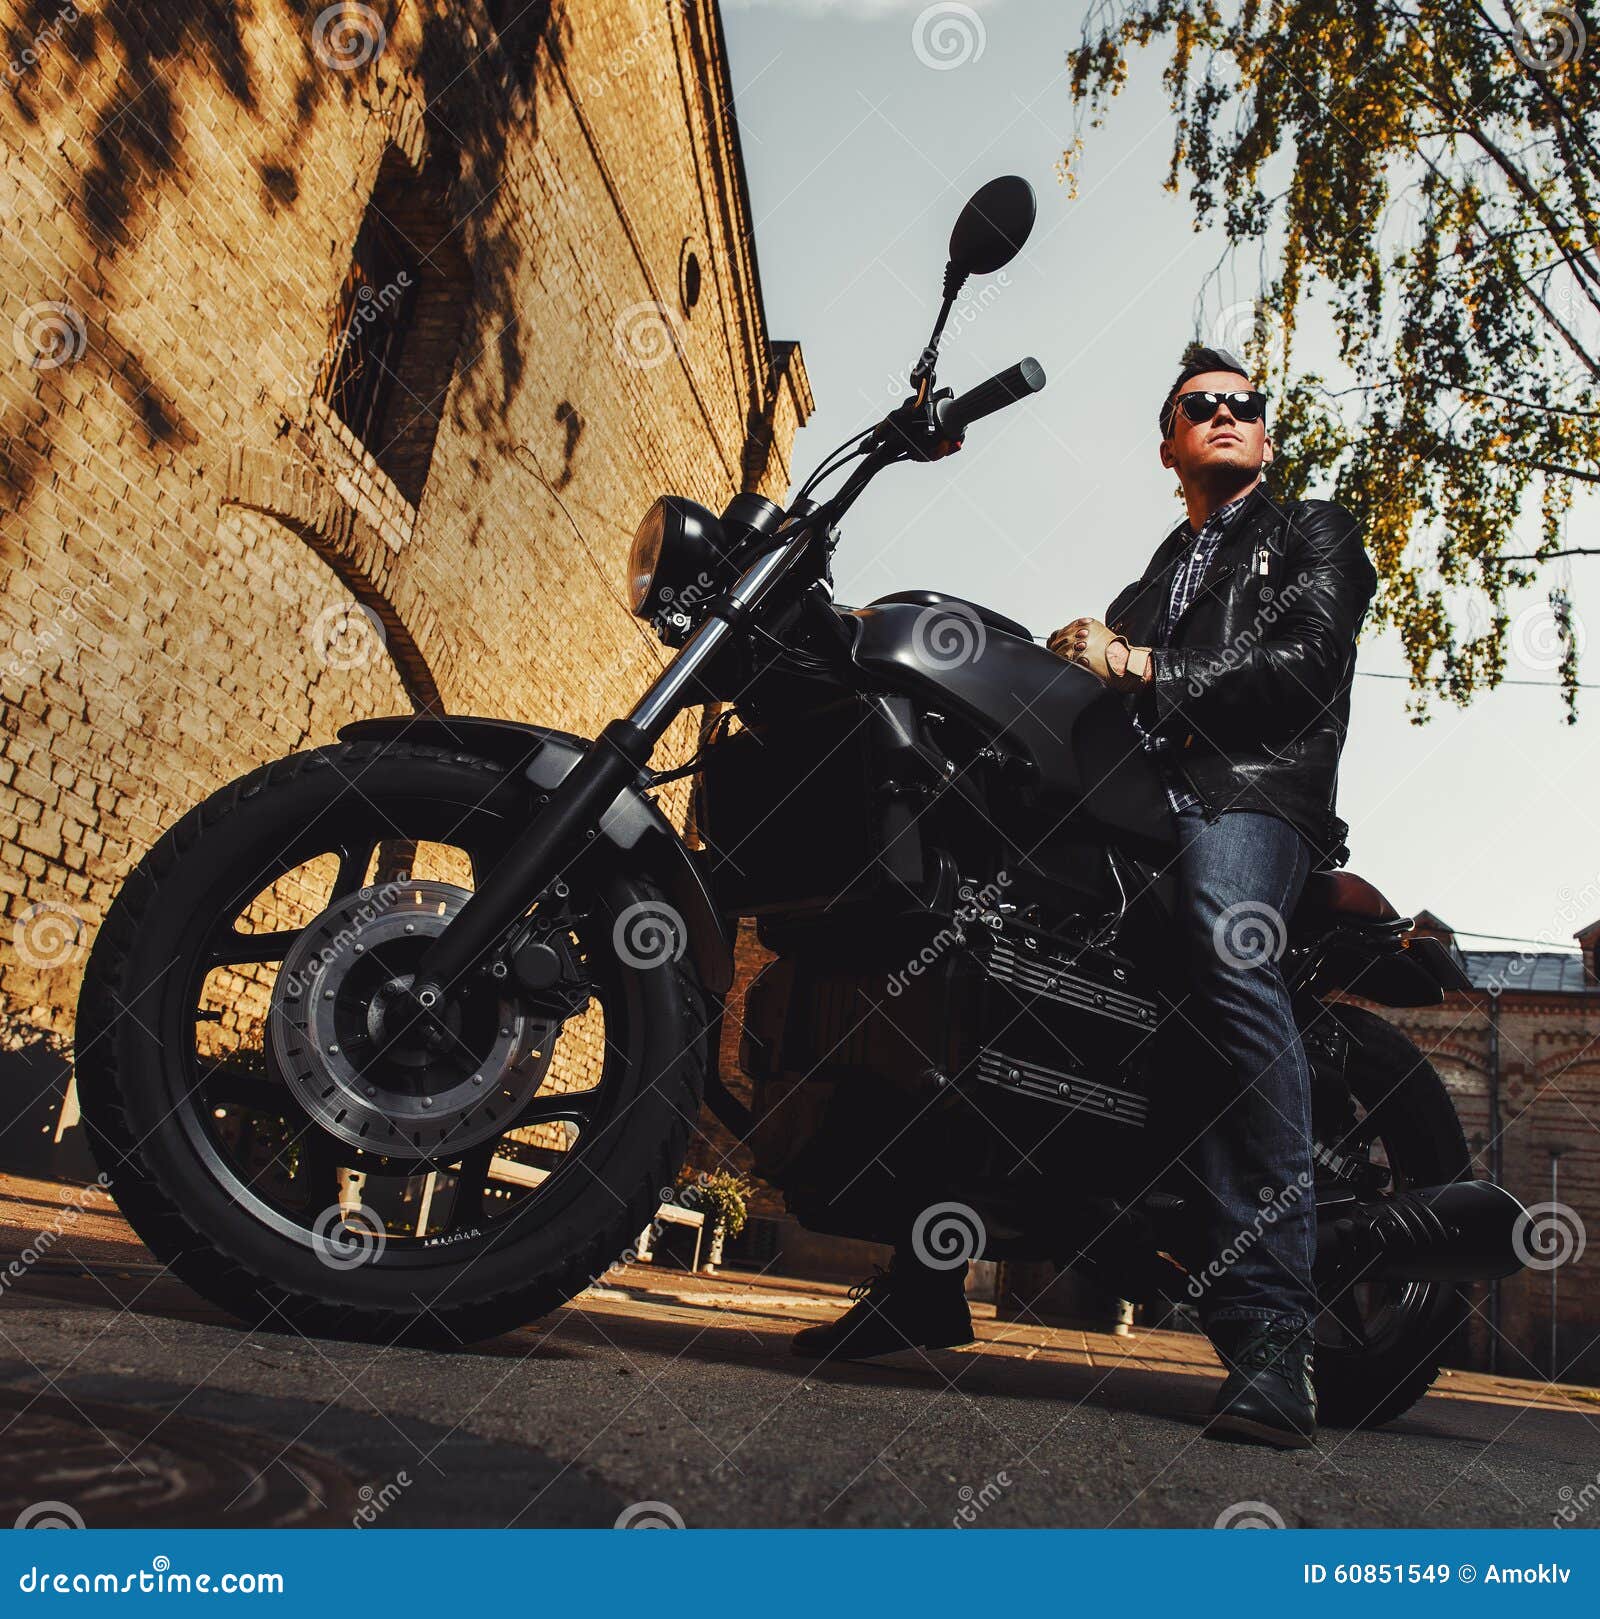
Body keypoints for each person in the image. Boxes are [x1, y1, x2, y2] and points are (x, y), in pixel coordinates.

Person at [789, 343, 1378, 1450]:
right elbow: (1095, 697)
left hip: (1251, 801)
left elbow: (1305, 666)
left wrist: (1143, 666)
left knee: (1223, 942)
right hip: (1141, 812)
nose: (1221, 415)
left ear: (1262, 431)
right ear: (1169, 444)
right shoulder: (1151, 578)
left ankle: (1269, 1331)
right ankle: (926, 1276)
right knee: (985, 948)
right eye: (1196, 406)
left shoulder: (1312, 532)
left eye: (1240, 406)